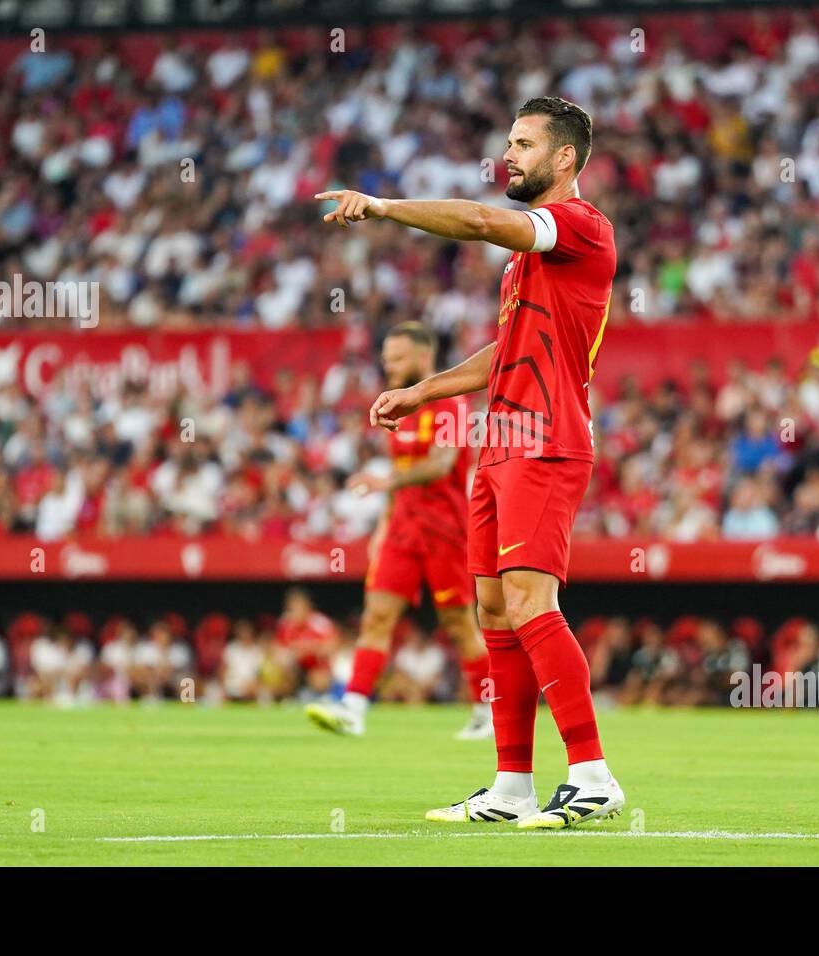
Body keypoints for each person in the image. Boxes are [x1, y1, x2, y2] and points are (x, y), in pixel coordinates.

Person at [317, 95, 623, 828]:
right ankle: (511, 786)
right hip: (499, 443)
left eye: (523, 144)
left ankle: (593, 775)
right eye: (507, 141)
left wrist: (384, 208)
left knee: (529, 603)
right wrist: (424, 390)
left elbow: (485, 221)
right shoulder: (529, 263)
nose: (508, 155)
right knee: (494, 613)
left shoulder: (580, 227)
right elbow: (507, 349)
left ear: (564, 159)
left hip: (546, 438)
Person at [304, 323, 492, 739]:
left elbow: (442, 464)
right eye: (386, 357)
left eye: (397, 357)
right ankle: (353, 706)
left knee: (459, 624)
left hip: (446, 531)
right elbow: (400, 472)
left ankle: (487, 709)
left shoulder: (453, 405)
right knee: (377, 615)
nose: (388, 364)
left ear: (424, 357)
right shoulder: (396, 406)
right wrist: (382, 528)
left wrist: (384, 483)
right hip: (402, 531)